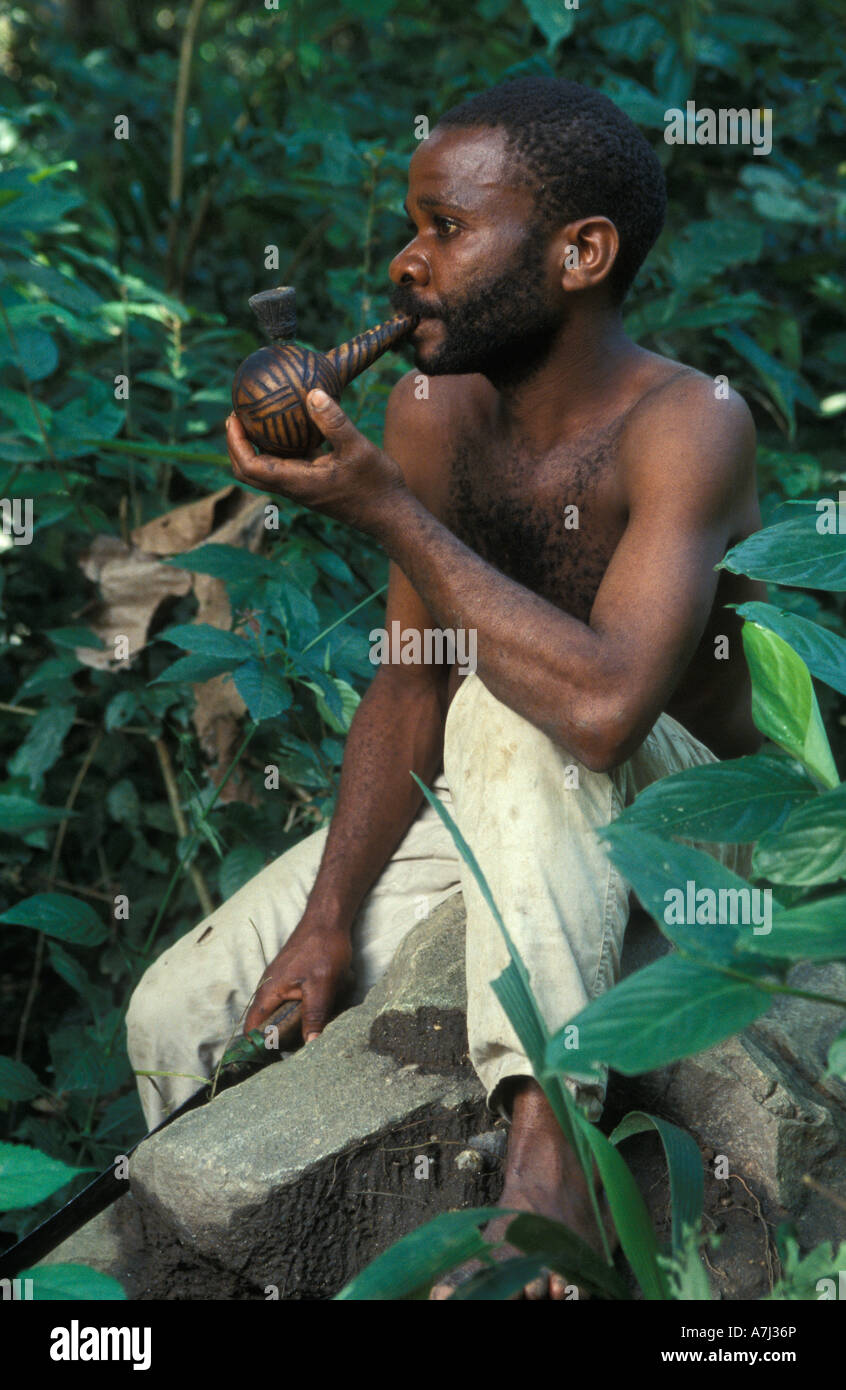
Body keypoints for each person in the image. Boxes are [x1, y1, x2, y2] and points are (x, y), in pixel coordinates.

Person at [127, 76, 766, 1299]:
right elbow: (411, 691)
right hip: (512, 807)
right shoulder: (429, 413)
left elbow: (604, 708)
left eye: (445, 228)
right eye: (412, 225)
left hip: (692, 827)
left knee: (516, 709)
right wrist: (324, 923)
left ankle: (551, 1161)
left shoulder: (690, 424)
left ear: (583, 253)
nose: (404, 262)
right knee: (179, 1009)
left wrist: (383, 512)